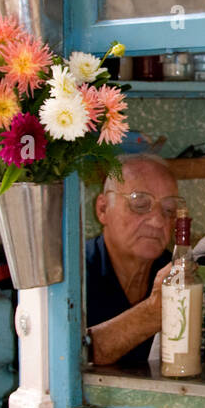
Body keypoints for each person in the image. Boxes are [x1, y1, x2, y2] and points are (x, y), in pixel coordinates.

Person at [85, 155, 179, 367]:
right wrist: (150, 314)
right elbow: (61, 359)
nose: (157, 221)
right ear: (102, 209)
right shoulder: (72, 275)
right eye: (139, 203)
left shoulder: (172, 271)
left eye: (169, 210)